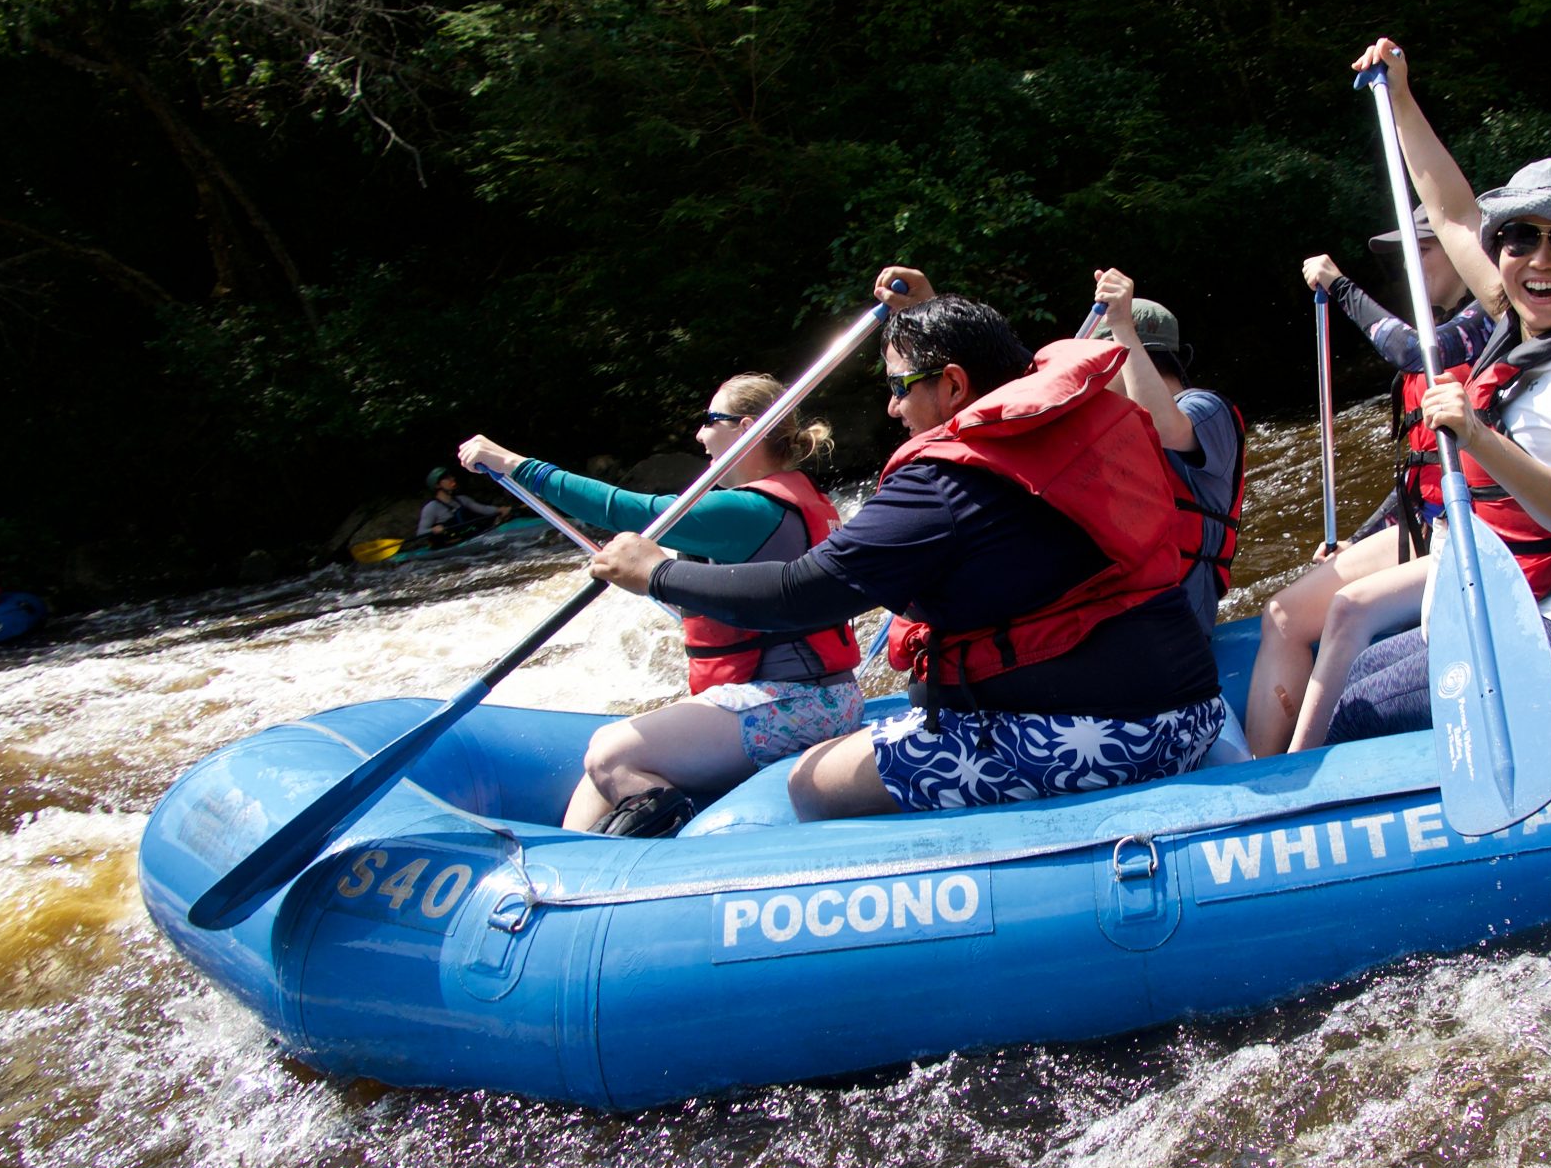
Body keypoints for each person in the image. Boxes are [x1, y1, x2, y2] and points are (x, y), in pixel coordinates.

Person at [587, 272, 1225, 819]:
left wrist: (658, 572)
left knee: (814, 782)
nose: (892, 409)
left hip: (1115, 734)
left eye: (897, 387)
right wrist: (927, 307)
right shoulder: (1073, 419)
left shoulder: (944, 482)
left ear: (951, 385)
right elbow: (992, 369)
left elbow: (802, 593)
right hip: (1192, 710)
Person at [1302, 36, 1551, 746]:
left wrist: (1476, 434)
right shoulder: (1515, 316)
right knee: (1344, 675)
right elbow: (1449, 211)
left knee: (1357, 718)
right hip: (1518, 607)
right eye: (1520, 239)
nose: (1540, 259)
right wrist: (1402, 97)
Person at [458, 374, 865, 833]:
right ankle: (569, 873)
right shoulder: (787, 501)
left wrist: (515, 464)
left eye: (712, 420)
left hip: (801, 701)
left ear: (747, 428)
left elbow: (622, 509)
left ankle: (668, 832)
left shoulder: (751, 512)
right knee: (600, 772)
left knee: (611, 754)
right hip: (809, 694)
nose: (699, 434)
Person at [1302, 208, 1499, 556]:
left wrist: (1340, 286)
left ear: (1461, 252)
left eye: (1421, 251)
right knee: (1306, 596)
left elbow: (1410, 352)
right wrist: (1356, 541)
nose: (1410, 265)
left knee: (1347, 609)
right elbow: (1422, 469)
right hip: (1435, 522)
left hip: (1481, 531)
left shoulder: (1491, 321)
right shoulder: (1443, 325)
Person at [1087, 270, 1245, 631]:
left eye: (1097, 368)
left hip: (1177, 623)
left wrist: (1121, 328)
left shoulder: (1207, 409)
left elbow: (1162, 428)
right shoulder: (1114, 429)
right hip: (1122, 613)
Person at [412, 467, 506, 548]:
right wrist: (433, 530)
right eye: (447, 478)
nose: (452, 479)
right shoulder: (431, 508)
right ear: (437, 485)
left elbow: (483, 509)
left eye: (451, 476)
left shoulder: (462, 499)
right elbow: (421, 533)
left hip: (468, 537)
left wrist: (499, 510)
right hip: (449, 544)